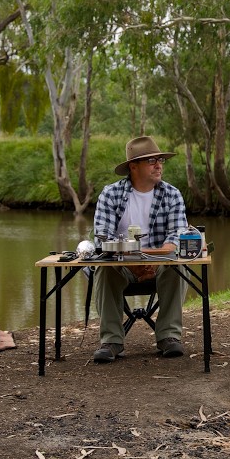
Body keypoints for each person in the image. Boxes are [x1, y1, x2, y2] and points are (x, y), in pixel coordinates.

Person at [90, 135, 189, 363]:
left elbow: (177, 235)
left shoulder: (172, 194)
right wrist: (133, 264)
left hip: (161, 265)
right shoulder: (111, 194)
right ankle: (112, 341)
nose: (159, 165)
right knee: (104, 268)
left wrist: (154, 260)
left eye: (161, 160)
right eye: (152, 160)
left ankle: (169, 337)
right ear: (133, 166)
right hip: (123, 267)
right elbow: (103, 239)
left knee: (178, 265)